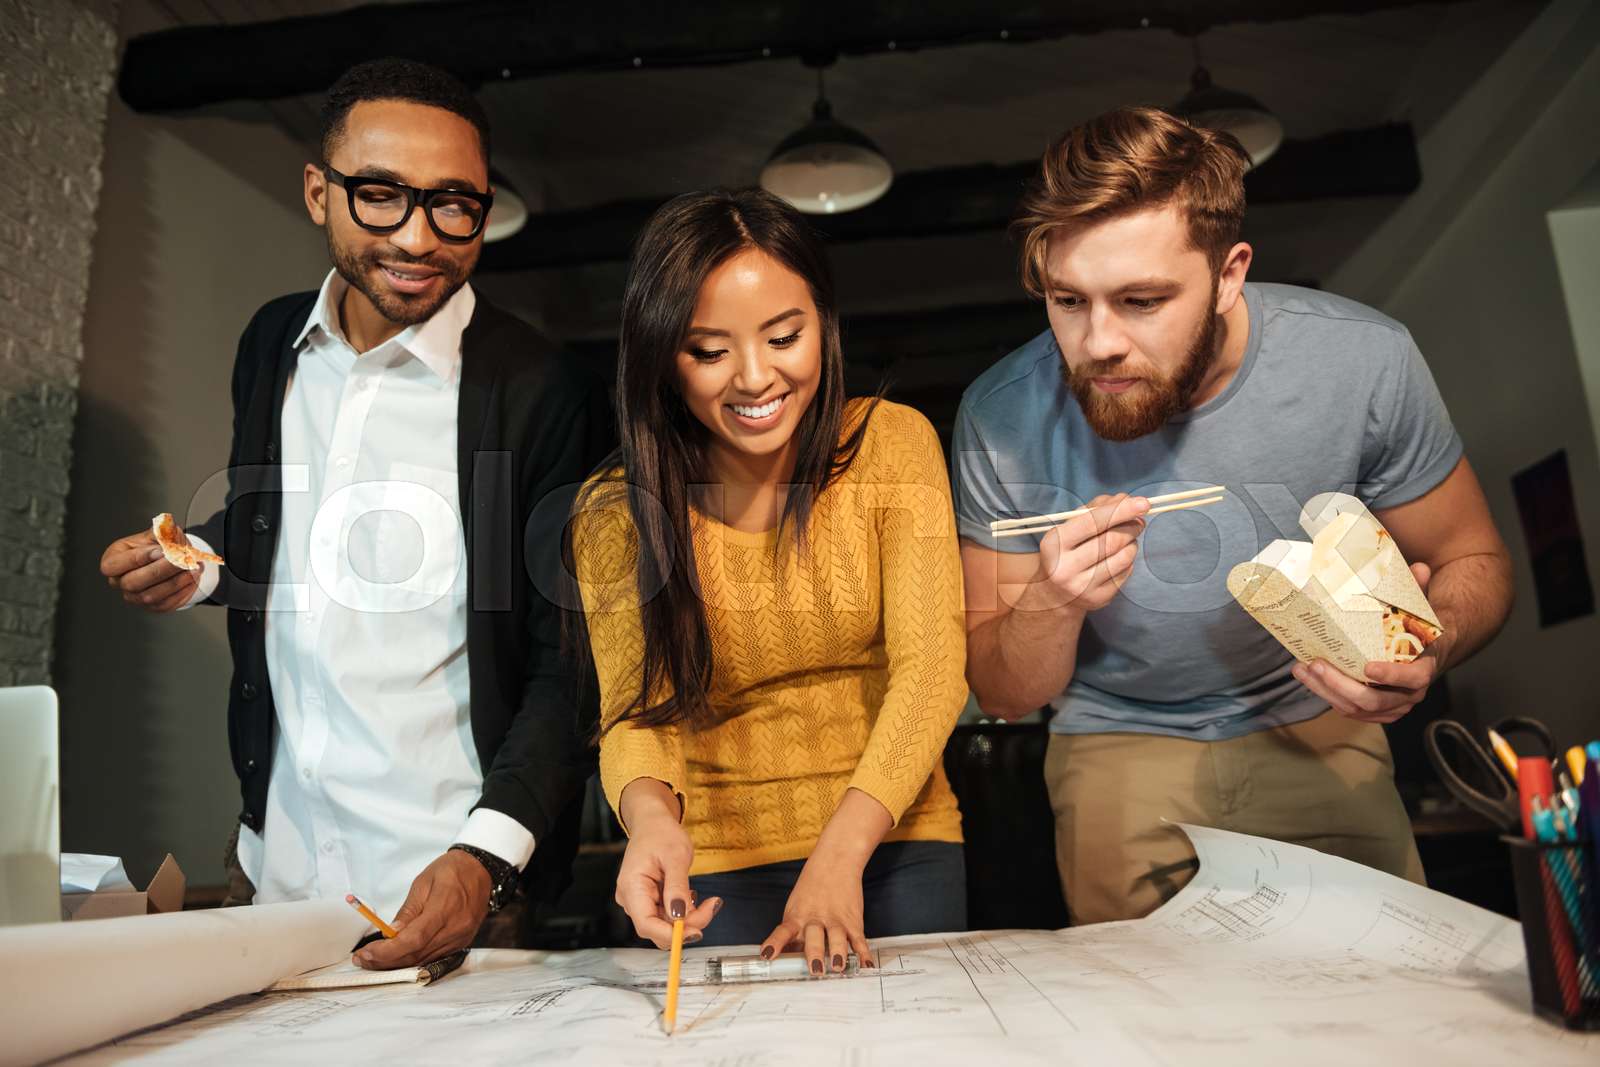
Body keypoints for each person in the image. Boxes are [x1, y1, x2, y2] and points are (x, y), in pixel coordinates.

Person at [97, 58, 609, 966]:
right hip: (274, 872)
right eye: (381, 195)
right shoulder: (271, 343)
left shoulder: (538, 387)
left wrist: (487, 860)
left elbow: (568, 662)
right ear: (317, 192)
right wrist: (199, 568)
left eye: (455, 204)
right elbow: (280, 535)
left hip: (449, 892)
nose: (419, 237)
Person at [954, 106, 1514, 925]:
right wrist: (1053, 602)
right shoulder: (998, 418)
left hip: (1318, 720)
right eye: (1067, 299)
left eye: (1141, 300)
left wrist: (1430, 648)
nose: (1098, 342)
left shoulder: (1363, 361)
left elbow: (1478, 563)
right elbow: (1001, 691)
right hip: (1118, 740)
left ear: (1229, 272)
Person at [569, 188, 968, 972]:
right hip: (716, 864)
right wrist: (650, 822)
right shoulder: (615, 512)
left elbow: (931, 671)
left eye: (785, 336)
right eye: (709, 351)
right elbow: (636, 710)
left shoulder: (891, 444)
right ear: (662, 360)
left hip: (896, 844)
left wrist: (838, 856)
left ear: (823, 322)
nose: (754, 377)